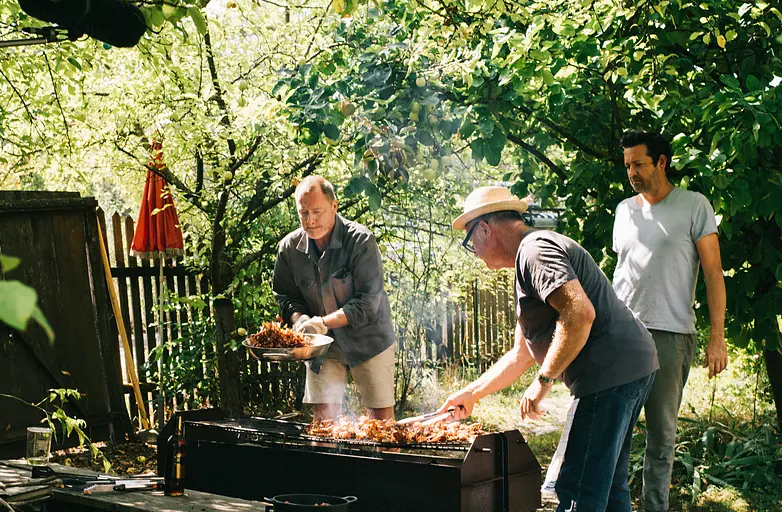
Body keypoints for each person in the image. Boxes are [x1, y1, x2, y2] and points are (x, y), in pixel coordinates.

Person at [439, 185, 659, 512]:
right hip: (629, 369)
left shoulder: (535, 251)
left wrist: (543, 382)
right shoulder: (529, 259)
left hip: (608, 374)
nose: (473, 250)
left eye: (470, 240)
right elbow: (521, 354)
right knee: (609, 489)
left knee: (578, 491)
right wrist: (471, 393)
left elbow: (579, 314)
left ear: (484, 229)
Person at [615, 130, 728, 512]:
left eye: (639, 163)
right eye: (628, 164)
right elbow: (621, 271)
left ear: (661, 162)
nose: (632, 171)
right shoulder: (623, 211)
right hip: (624, 335)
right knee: (614, 432)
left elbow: (713, 273)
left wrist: (718, 337)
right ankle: (611, 504)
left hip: (670, 335)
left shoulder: (694, 205)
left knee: (660, 439)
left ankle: (653, 508)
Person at [272, 176, 396, 422]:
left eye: (317, 211)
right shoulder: (288, 248)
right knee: (324, 422)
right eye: (303, 213)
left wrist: (323, 322)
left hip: (369, 340)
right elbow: (285, 296)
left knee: (381, 423)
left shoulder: (360, 240)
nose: (311, 220)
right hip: (321, 345)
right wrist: (301, 321)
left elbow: (367, 304)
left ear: (334, 206)